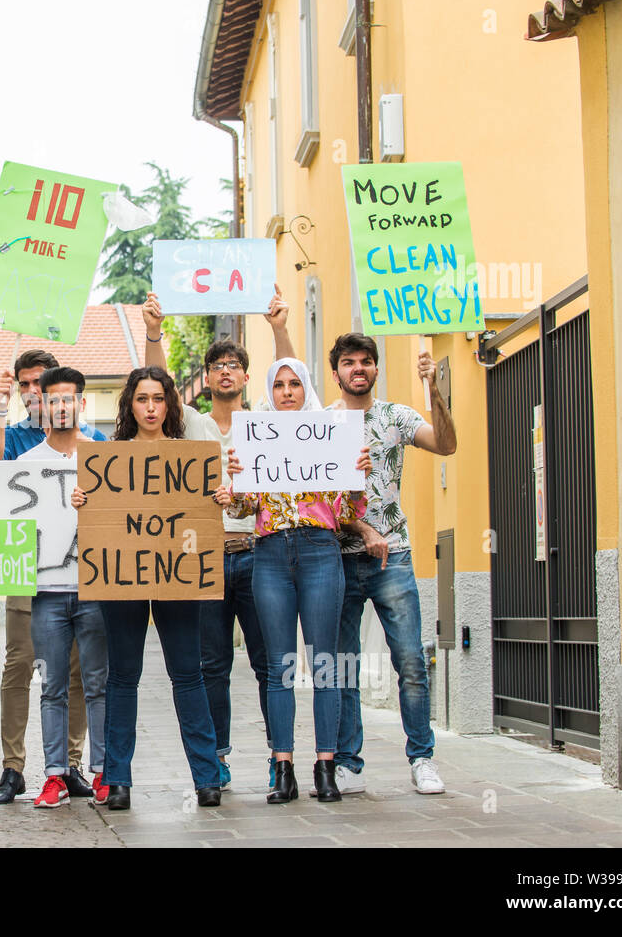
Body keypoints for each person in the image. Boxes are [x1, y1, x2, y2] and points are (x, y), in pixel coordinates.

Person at [142, 290, 297, 789]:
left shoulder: (268, 424)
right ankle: (219, 758)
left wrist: (278, 328)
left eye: (234, 365)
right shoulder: (190, 423)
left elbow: (298, 391)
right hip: (204, 555)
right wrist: (153, 332)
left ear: (247, 377)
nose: (225, 371)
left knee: (270, 662)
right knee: (212, 665)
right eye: (217, 366)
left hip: (262, 555)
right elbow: (159, 382)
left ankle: (282, 758)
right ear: (207, 378)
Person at [70, 366, 223, 810]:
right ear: (129, 405)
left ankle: (207, 777)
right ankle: (118, 780)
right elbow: (98, 517)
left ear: (170, 404)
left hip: (177, 573)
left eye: (158, 398)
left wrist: (217, 499)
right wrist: (83, 499)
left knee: (188, 673)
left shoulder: (192, 456)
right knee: (122, 676)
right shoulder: (109, 457)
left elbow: (201, 507)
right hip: (124, 575)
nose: (151, 407)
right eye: (142, 399)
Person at [221, 359, 369, 804]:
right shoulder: (257, 436)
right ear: (271, 391)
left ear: (306, 390)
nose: (287, 392)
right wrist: (235, 483)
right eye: (280, 385)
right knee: (279, 666)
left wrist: (357, 478)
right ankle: (282, 766)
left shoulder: (331, 437)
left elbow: (348, 513)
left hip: (320, 551)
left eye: (295, 384)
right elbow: (245, 508)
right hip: (268, 553)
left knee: (325, 661)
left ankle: (326, 765)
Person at [328, 333, 457, 796]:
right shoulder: (321, 425)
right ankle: (348, 762)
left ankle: (422, 758)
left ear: (376, 369)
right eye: (348, 362)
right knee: (342, 665)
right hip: (337, 559)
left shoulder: (396, 416)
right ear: (337, 371)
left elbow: (445, 445)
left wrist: (434, 389)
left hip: (394, 557)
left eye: (365, 361)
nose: (357, 368)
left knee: (411, 662)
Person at [0, 349, 105, 805]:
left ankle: (72, 765)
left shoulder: (99, 451)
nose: (46, 398)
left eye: (53, 391)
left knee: (83, 675)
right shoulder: (18, 445)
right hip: (34, 579)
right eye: (33, 389)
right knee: (24, 667)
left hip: (89, 581)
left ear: (77, 401)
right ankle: (16, 768)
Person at [18, 366, 109, 809]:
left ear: (81, 404)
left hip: (96, 589)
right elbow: (14, 531)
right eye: (51, 400)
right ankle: (54, 775)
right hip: (46, 593)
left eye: (68, 399)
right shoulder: (26, 466)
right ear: (42, 408)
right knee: (51, 685)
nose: (60, 407)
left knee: (98, 684)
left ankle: (105, 772)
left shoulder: (105, 458)